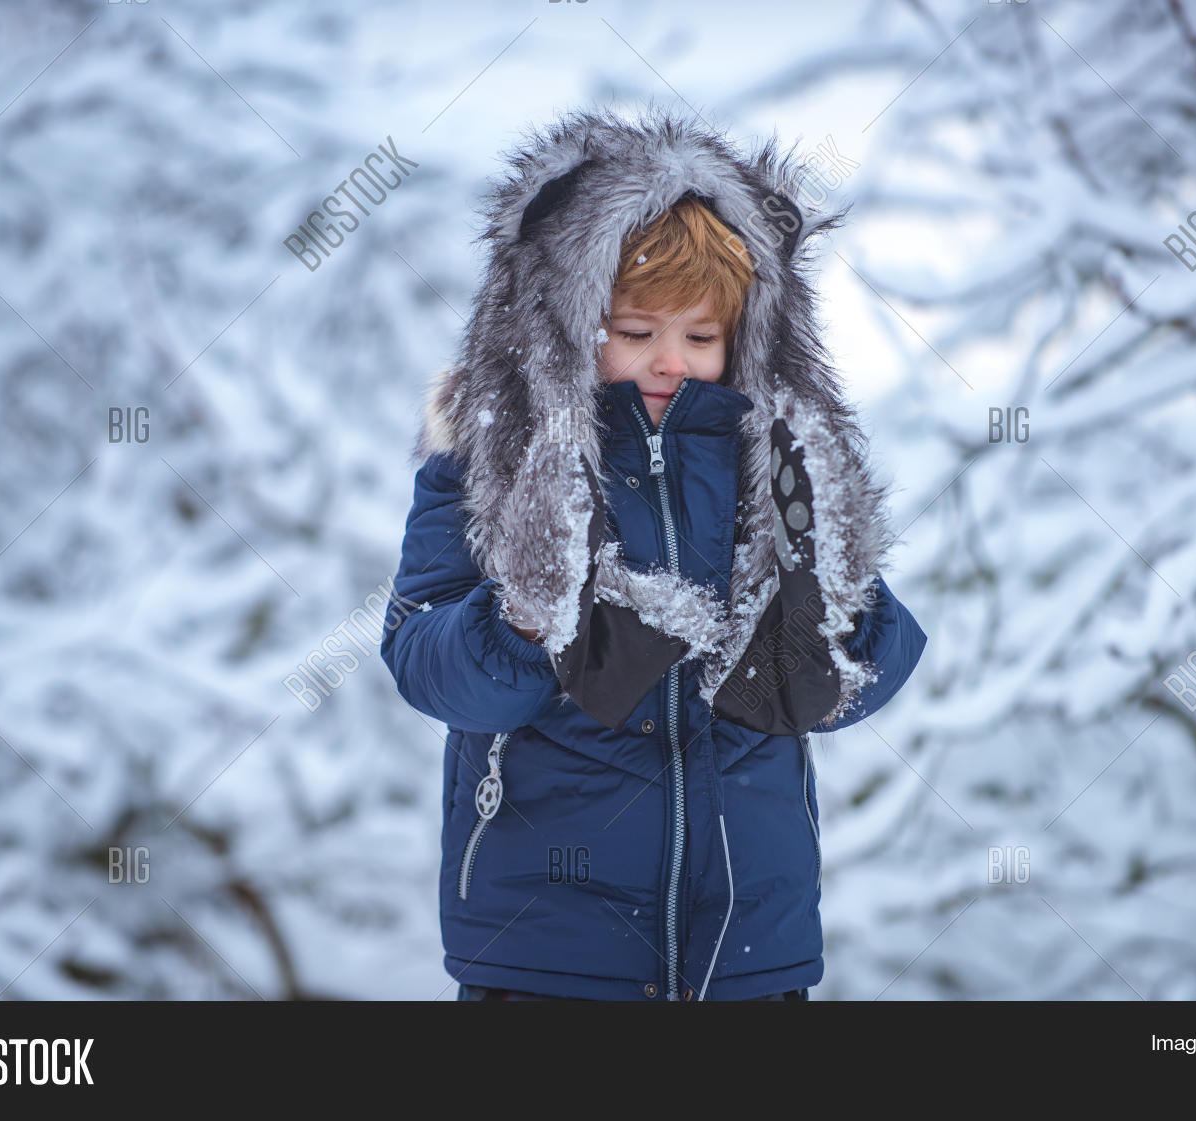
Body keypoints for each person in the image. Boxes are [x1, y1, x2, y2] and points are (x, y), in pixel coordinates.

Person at [381, 106, 926, 1001]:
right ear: (565, 328)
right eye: (637, 333)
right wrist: (526, 616)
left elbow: (855, 684)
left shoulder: (774, 460)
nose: (670, 361)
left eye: (701, 336)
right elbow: (423, 658)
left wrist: (837, 608)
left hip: (748, 952)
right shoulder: (488, 459)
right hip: (548, 956)